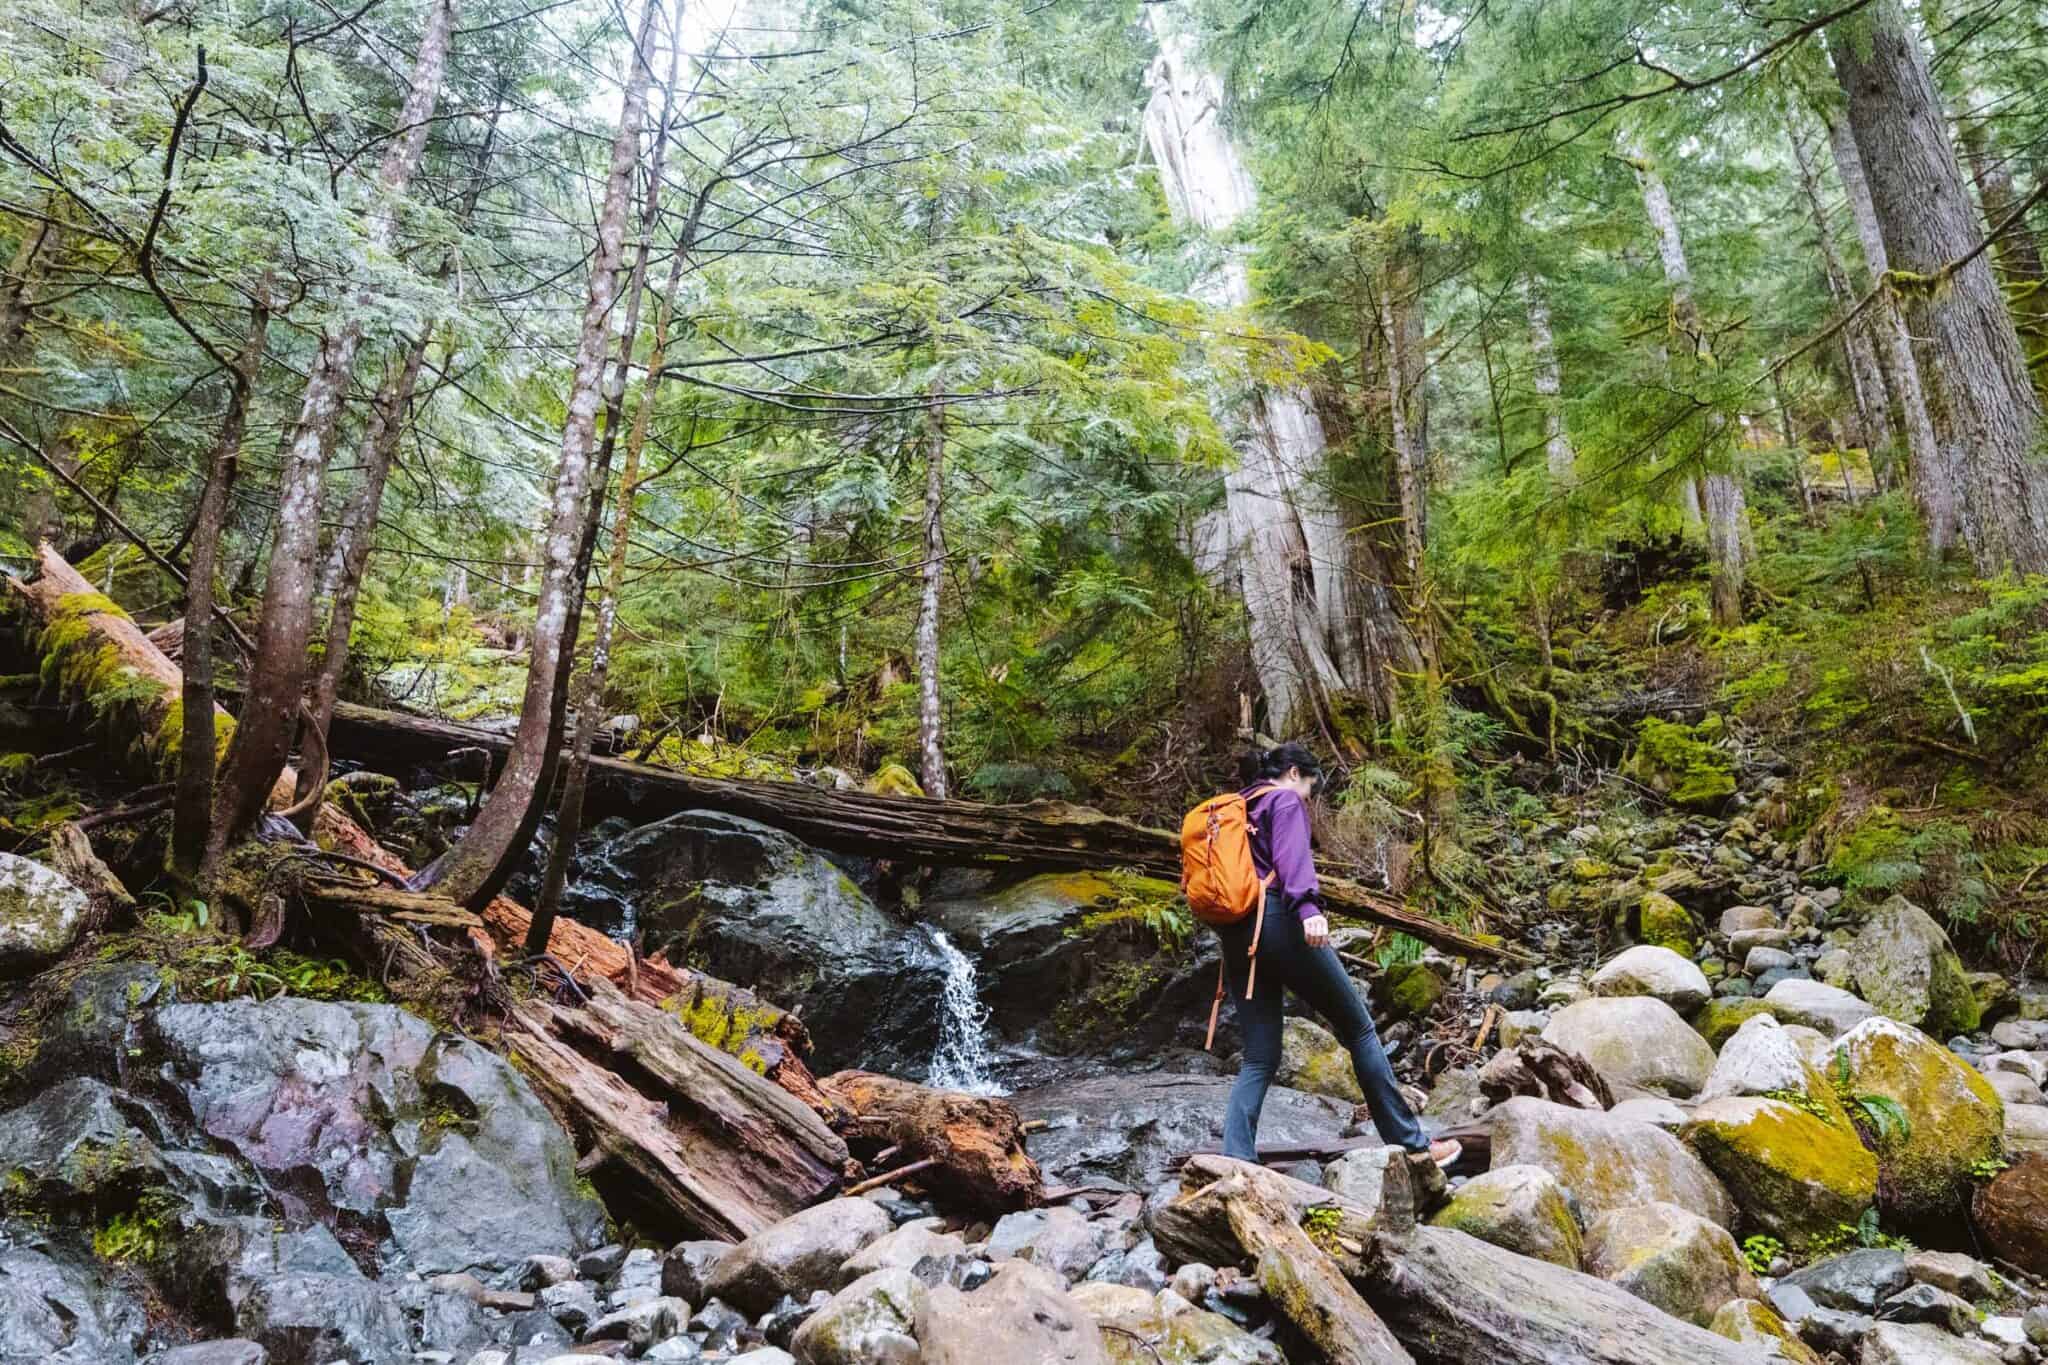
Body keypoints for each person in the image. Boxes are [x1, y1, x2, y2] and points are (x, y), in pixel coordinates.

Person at [1216, 743, 1461, 1168]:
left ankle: (1236, 1158)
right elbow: (1292, 859)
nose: (1308, 797)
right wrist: (1309, 909)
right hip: (1280, 921)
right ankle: (1414, 1146)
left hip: (1237, 935)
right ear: (1294, 773)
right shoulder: (1284, 799)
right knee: (1360, 1029)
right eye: (1310, 786)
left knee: (1259, 1055)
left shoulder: (1237, 808)